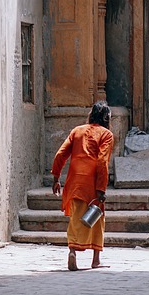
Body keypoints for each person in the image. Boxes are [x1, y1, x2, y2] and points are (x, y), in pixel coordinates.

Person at [51, 101, 114, 271]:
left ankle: (73, 251)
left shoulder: (76, 131)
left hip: (75, 183)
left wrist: (56, 178)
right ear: (107, 117)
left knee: (76, 219)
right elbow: (102, 162)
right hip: (93, 183)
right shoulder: (106, 134)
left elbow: (60, 154)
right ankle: (96, 259)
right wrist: (101, 189)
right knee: (98, 219)